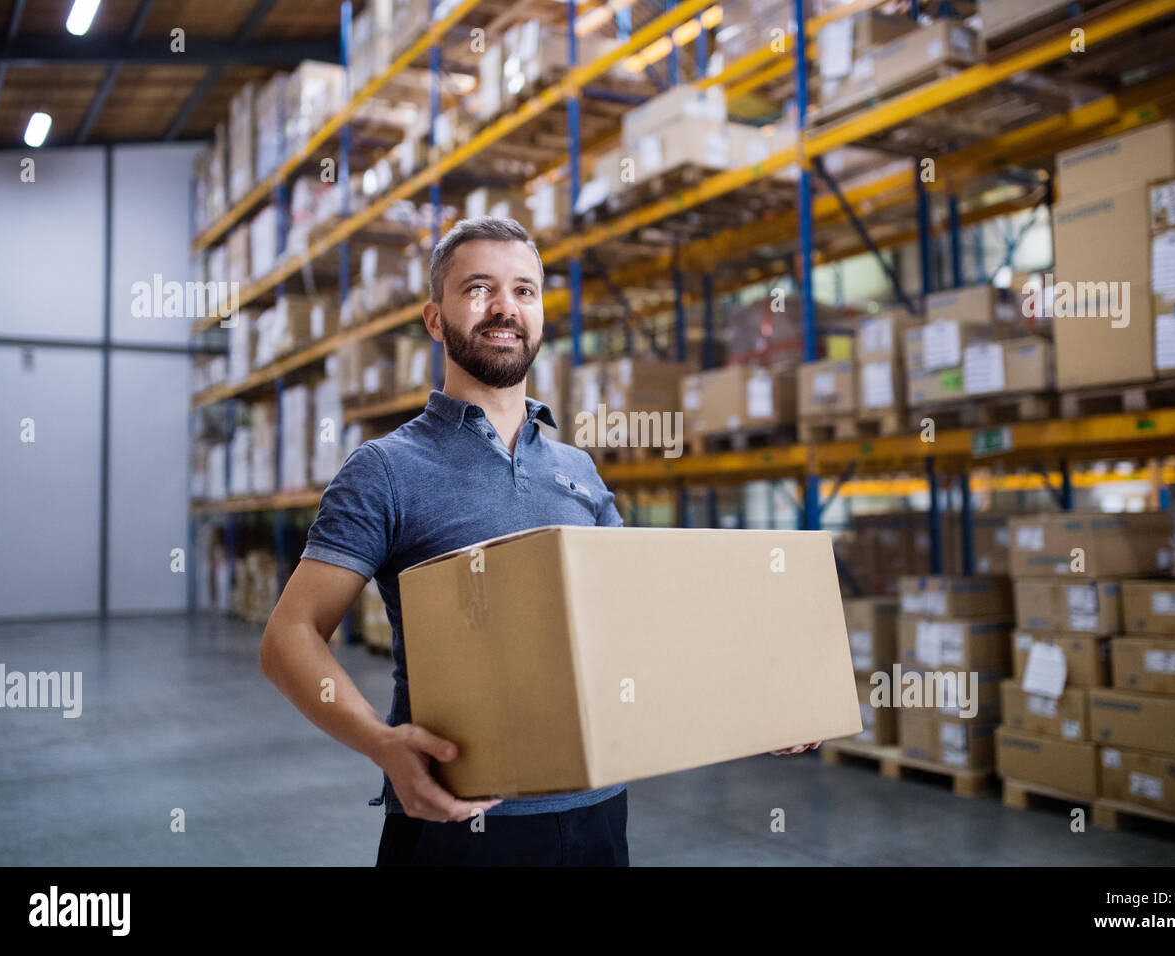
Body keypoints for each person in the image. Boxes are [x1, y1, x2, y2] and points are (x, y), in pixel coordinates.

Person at [260, 216, 818, 867]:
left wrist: (757, 700)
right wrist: (381, 743)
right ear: (434, 318)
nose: (505, 308)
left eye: (524, 290)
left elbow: (639, 624)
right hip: (461, 820)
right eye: (479, 288)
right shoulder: (385, 469)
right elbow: (288, 638)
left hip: (597, 812)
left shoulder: (578, 470)